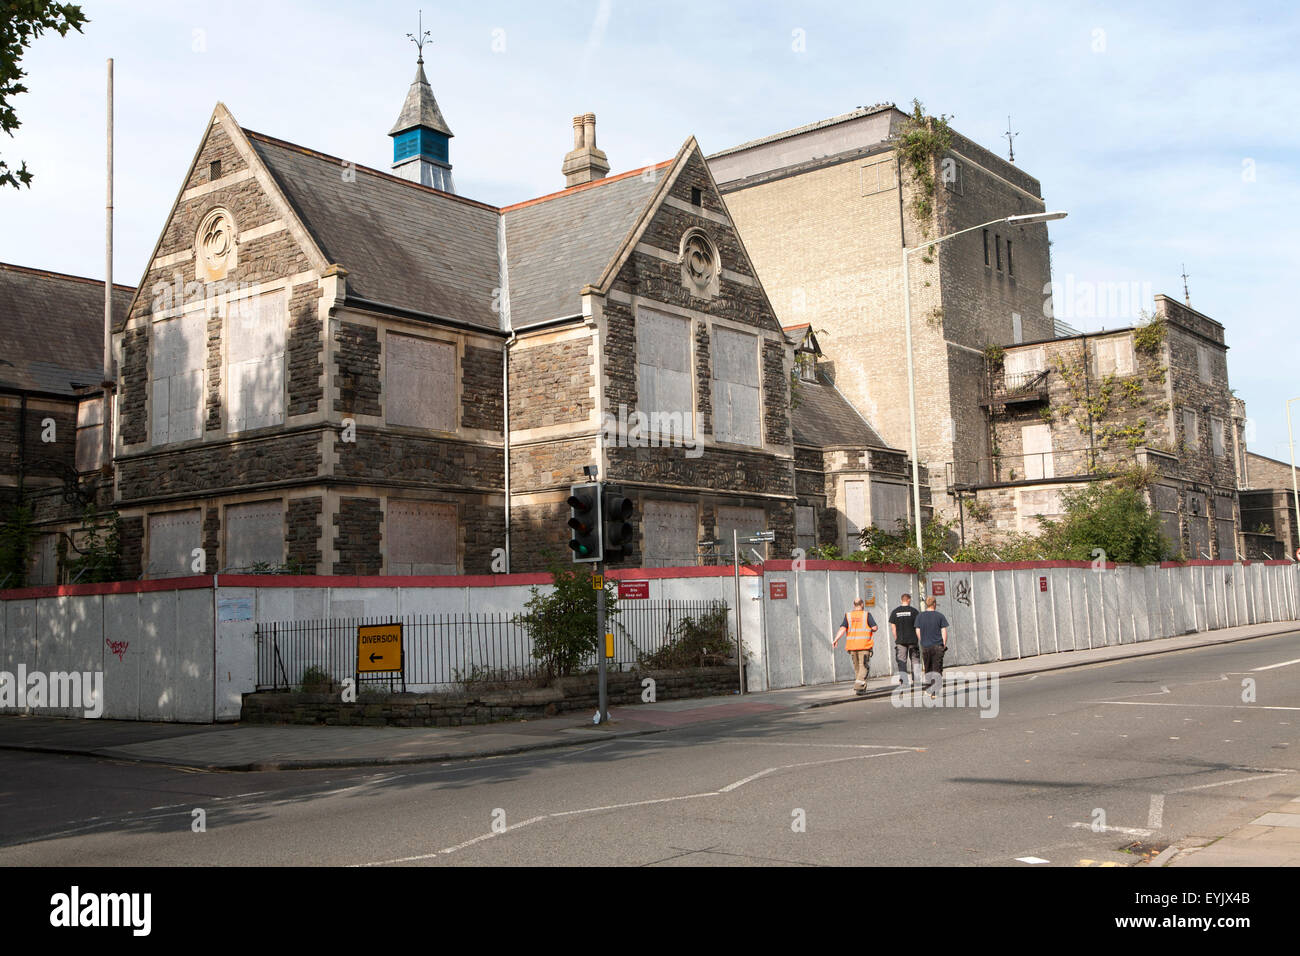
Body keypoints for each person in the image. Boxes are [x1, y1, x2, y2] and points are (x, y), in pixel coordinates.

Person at [831, 597, 878, 694]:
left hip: (852, 646)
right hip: (864, 646)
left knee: (857, 668)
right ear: (862, 605)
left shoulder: (848, 616)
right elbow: (875, 627)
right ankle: (858, 686)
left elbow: (842, 629)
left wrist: (836, 639)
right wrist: (871, 630)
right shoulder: (866, 615)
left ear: (854, 605)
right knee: (863, 667)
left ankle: (861, 688)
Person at [915, 596, 949, 699]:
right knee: (937, 669)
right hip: (938, 646)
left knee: (928, 668)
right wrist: (944, 643)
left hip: (926, 646)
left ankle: (929, 689)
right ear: (934, 604)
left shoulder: (920, 616)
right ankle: (935, 691)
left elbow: (917, 630)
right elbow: (944, 631)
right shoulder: (940, 616)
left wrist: (922, 641)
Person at [889, 593, 921, 688]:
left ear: (901, 600)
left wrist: (896, 639)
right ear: (909, 600)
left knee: (901, 661)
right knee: (915, 660)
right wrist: (919, 638)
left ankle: (903, 681)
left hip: (900, 641)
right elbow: (918, 627)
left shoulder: (895, 612)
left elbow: (893, 628)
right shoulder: (914, 611)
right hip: (913, 640)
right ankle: (916, 680)